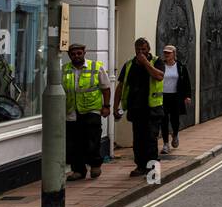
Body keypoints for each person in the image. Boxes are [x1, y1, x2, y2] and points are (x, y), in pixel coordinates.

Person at [115, 38, 165, 178]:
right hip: (135, 108)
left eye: (143, 49)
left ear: (148, 49)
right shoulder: (129, 65)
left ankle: (153, 169)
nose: (141, 52)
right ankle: (141, 166)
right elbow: (120, 87)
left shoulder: (157, 62)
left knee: (150, 139)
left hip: (152, 109)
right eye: (138, 50)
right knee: (138, 140)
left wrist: (145, 63)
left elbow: (159, 76)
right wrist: (115, 107)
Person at [63, 43, 111, 182]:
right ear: (69, 55)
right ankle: (78, 170)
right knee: (74, 143)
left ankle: (95, 165)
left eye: (79, 53)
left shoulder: (96, 67)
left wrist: (106, 106)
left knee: (92, 139)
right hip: (71, 111)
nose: (76, 56)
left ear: (84, 53)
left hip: (92, 110)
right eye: (73, 54)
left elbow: (106, 88)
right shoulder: (64, 69)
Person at [158, 45, 193, 155]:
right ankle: (165, 144)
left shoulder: (181, 67)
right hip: (163, 96)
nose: (166, 55)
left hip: (176, 96)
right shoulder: (160, 65)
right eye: (165, 53)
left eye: (169, 53)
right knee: (163, 120)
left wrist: (187, 96)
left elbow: (186, 82)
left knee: (174, 119)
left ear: (174, 54)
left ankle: (175, 134)